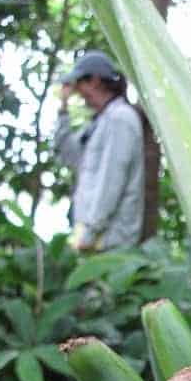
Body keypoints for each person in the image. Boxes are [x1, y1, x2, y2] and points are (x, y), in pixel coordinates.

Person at [53, 50, 145, 251]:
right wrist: (63, 107)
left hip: (111, 242)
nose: (77, 90)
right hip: (93, 240)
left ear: (95, 81)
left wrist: (90, 232)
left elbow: (112, 180)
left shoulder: (121, 119)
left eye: (80, 84)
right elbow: (68, 155)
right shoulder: (98, 124)